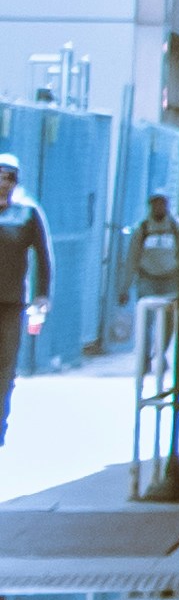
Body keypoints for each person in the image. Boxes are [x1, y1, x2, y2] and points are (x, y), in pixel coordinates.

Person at [0, 157, 44, 437]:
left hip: (11, 302)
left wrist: (42, 296)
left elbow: (43, 256)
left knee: (5, 366)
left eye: (9, 178)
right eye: (0, 176)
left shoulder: (26, 215)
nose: (3, 183)